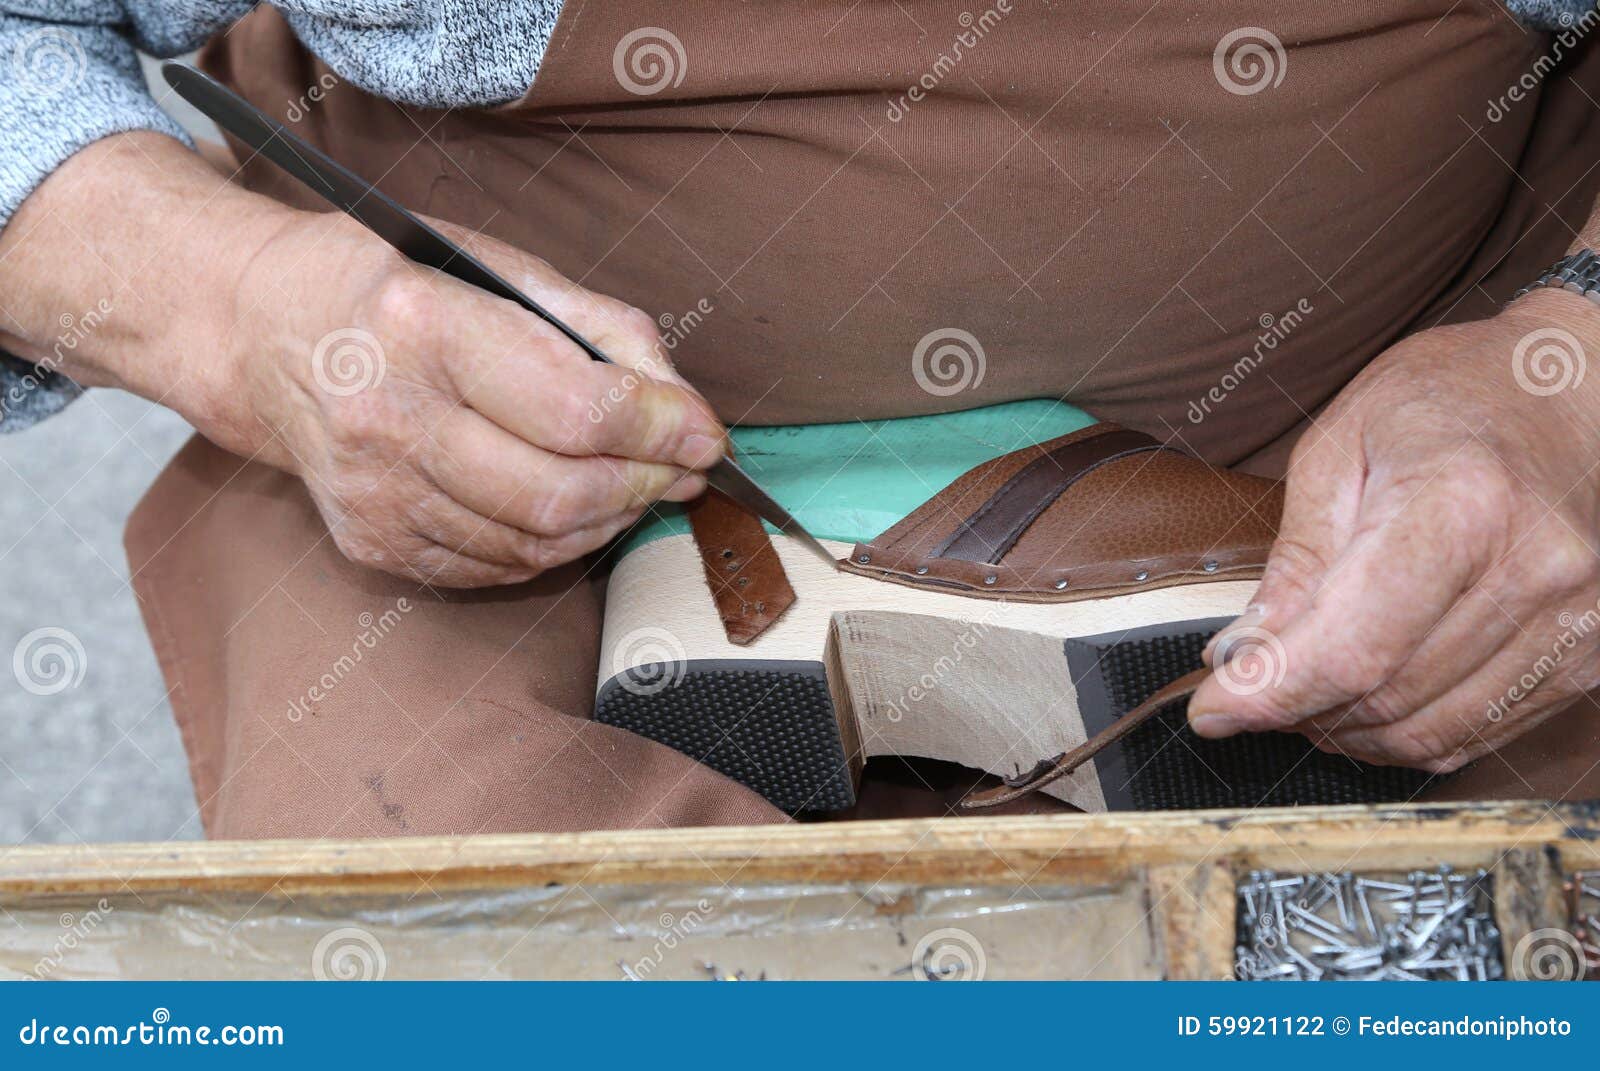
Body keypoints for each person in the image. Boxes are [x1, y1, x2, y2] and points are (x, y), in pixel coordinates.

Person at [3, 0, 1599, 838]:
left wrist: (1570, 374)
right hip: (466, 442)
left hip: (1416, 416)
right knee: (475, 962)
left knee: (1435, 956)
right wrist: (253, 314)